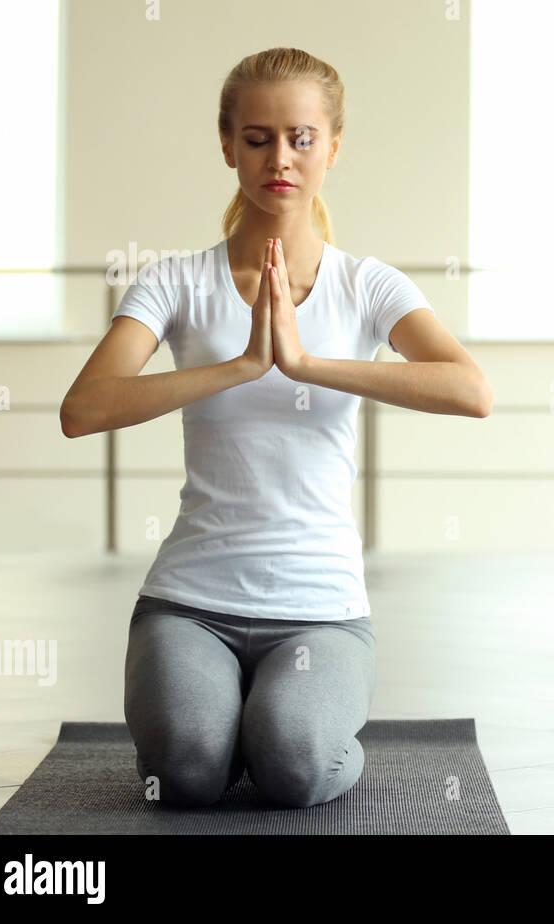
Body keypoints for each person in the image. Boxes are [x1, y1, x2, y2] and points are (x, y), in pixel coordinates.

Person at [59, 47, 493, 808]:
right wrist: (241, 364)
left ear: (332, 148)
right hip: (190, 603)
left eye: (301, 137)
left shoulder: (368, 285)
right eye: (257, 138)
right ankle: (226, 727)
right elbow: (83, 408)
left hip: (320, 609)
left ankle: (280, 730)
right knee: (186, 774)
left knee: (293, 766)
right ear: (227, 145)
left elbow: (471, 390)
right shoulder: (173, 281)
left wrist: (305, 363)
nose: (280, 158)